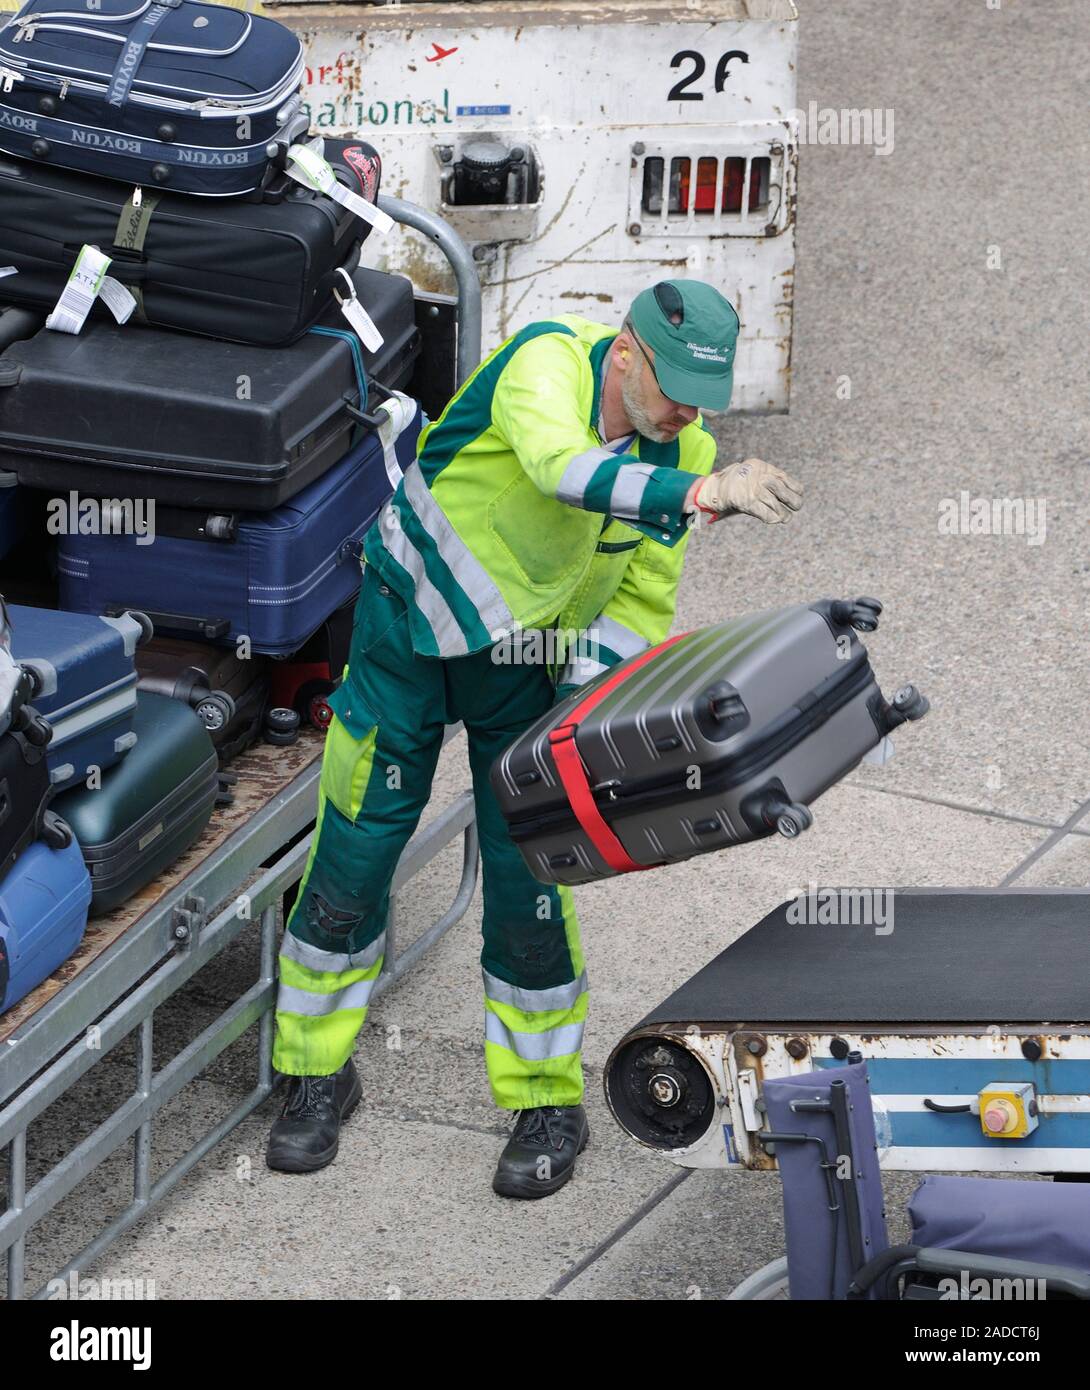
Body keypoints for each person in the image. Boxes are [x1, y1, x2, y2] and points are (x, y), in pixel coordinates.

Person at [266, 279, 803, 1196]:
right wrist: (703, 491)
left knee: (532, 882)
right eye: (672, 385)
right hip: (406, 633)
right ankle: (313, 1074)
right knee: (355, 855)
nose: (685, 414)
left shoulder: (686, 448)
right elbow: (563, 468)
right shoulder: (546, 362)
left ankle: (548, 1102)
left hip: (524, 667)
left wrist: (584, 714)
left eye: (702, 398)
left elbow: (638, 595)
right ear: (625, 350)